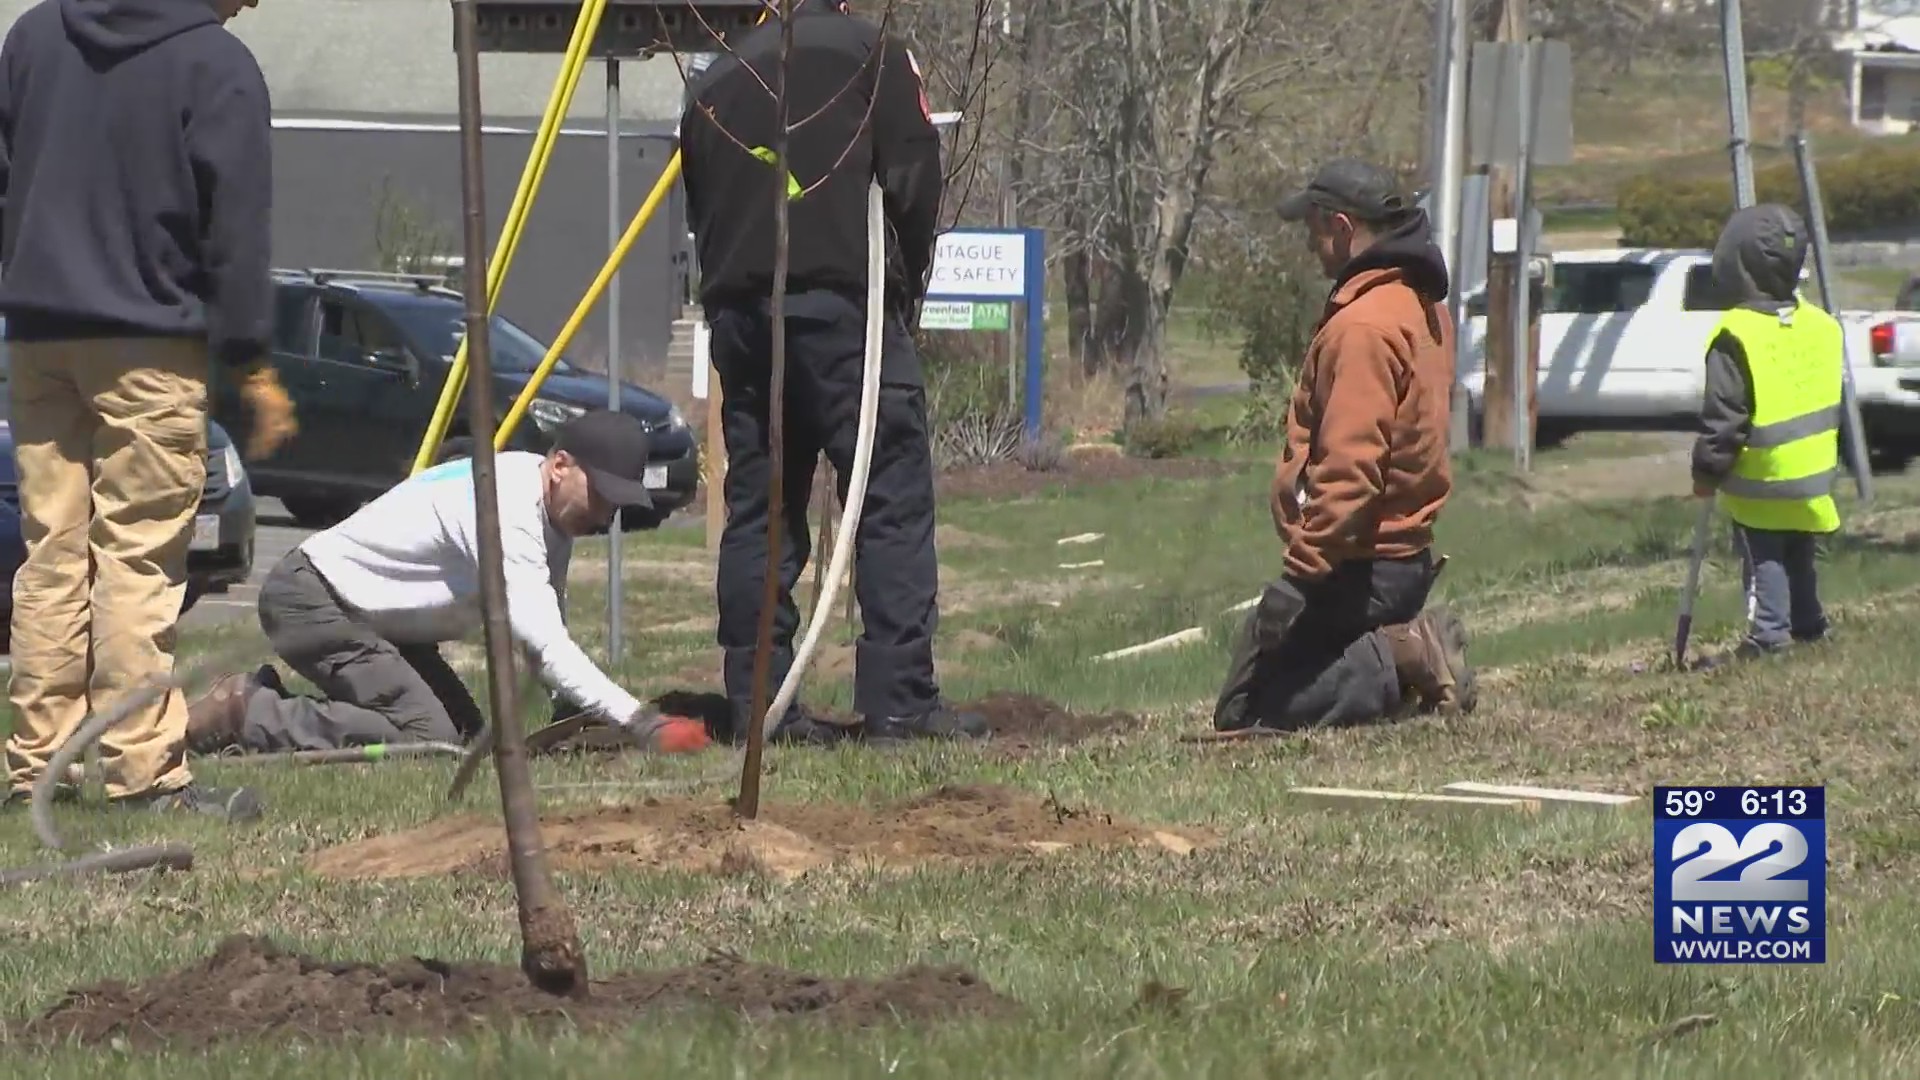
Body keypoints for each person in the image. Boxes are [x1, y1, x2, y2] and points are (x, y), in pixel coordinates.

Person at [0, 0, 297, 819]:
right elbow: (236, 231)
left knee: (50, 558)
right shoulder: (216, 67)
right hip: (148, 348)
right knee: (137, 560)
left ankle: (35, 770)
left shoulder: (31, 37)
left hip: (36, 339)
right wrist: (252, 362)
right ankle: (143, 776)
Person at [679, 0, 986, 744]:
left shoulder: (712, 81)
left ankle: (761, 706)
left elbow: (700, 208)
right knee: (888, 498)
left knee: (761, 509)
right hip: (839, 309)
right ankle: (900, 699)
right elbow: (913, 176)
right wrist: (905, 293)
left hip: (743, 322)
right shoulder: (869, 52)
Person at [183, 410, 713, 757]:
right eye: (601, 495)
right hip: (313, 601)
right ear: (559, 465)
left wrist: (570, 711)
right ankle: (248, 711)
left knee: (464, 736)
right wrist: (640, 721)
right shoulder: (505, 509)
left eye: (616, 504)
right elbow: (547, 647)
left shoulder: (546, 507)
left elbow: (543, 626)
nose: (605, 514)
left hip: (377, 620)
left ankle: (269, 705)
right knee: (428, 740)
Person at [1210, 158, 1476, 734]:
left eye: (1313, 229)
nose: (1311, 244)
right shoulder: (1417, 303)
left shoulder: (1365, 326)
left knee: (1250, 713)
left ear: (1341, 226)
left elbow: (1353, 470)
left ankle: (1410, 651)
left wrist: (1299, 577)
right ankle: (1397, 655)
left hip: (1361, 565)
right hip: (1391, 560)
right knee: (1253, 690)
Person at [1689, 203, 1839, 664]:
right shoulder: (1821, 324)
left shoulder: (1737, 334)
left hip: (1761, 479)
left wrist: (1706, 471)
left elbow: (1725, 418)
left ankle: (1769, 634)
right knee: (1800, 550)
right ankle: (1810, 623)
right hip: (1814, 473)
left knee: (1764, 558)